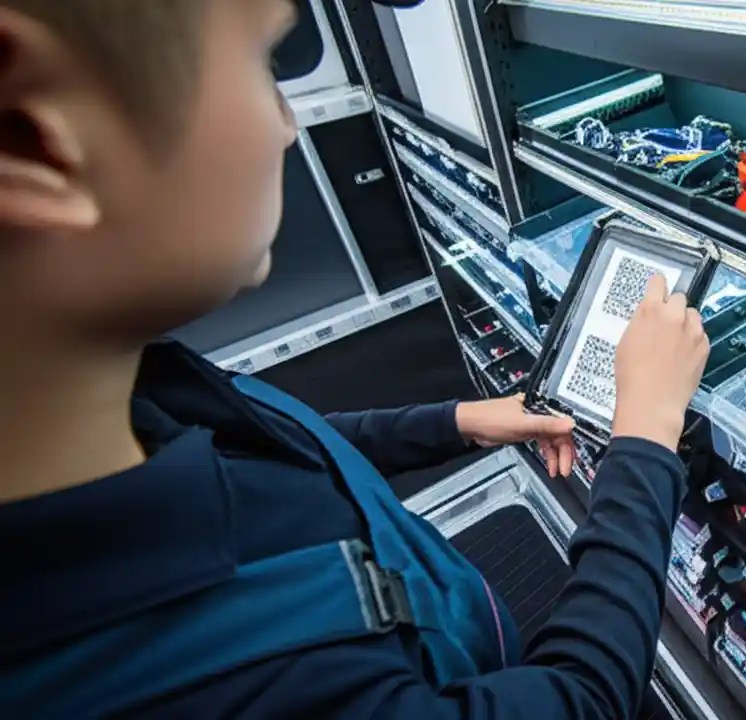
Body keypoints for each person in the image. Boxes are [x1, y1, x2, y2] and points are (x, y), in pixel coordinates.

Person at [0, 1, 710, 717]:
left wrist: (461, 421)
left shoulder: (131, 395)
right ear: (32, 137)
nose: (288, 124)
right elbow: (582, 701)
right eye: (264, 63)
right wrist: (645, 438)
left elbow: (281, 448)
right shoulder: (237, 686)